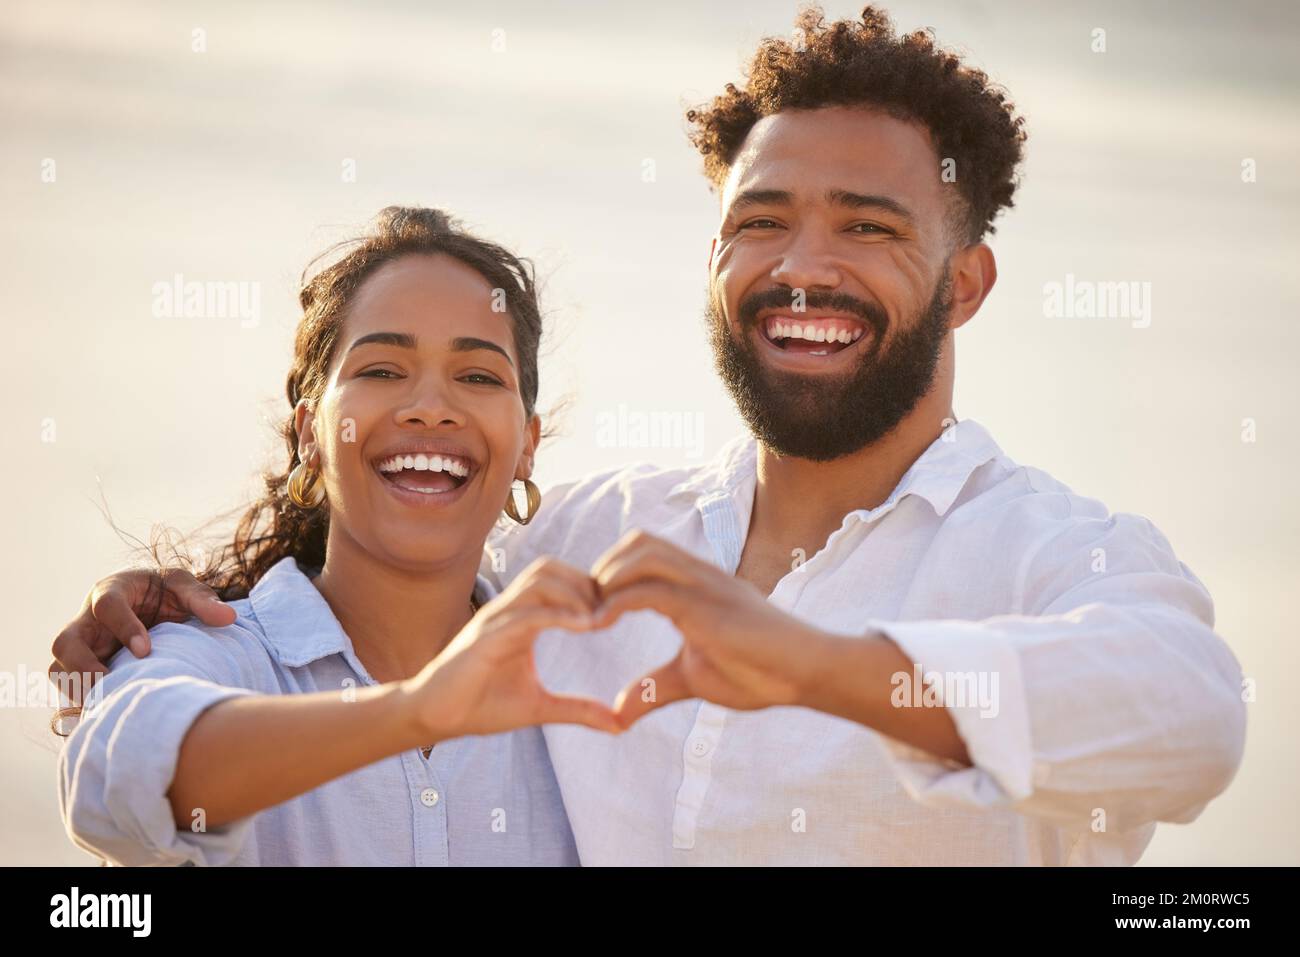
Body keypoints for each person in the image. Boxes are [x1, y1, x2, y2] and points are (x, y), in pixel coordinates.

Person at [51, 7, 1246, 865]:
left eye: (869, 227)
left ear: (966, 282)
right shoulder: (599, 538)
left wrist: (818, 666)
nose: (802, 267)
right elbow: (394, 570)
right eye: (760, 221)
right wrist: (179, 598)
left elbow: (1192, 718)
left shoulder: (1050, 554)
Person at [55, 206, 623, 866]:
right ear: (309, 434)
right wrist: (419, 708)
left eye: (477, 376)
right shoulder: (207, 652)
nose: (431, 406)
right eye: (381, 369)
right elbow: (117, 783)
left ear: (527, 444)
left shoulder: (581, 689)